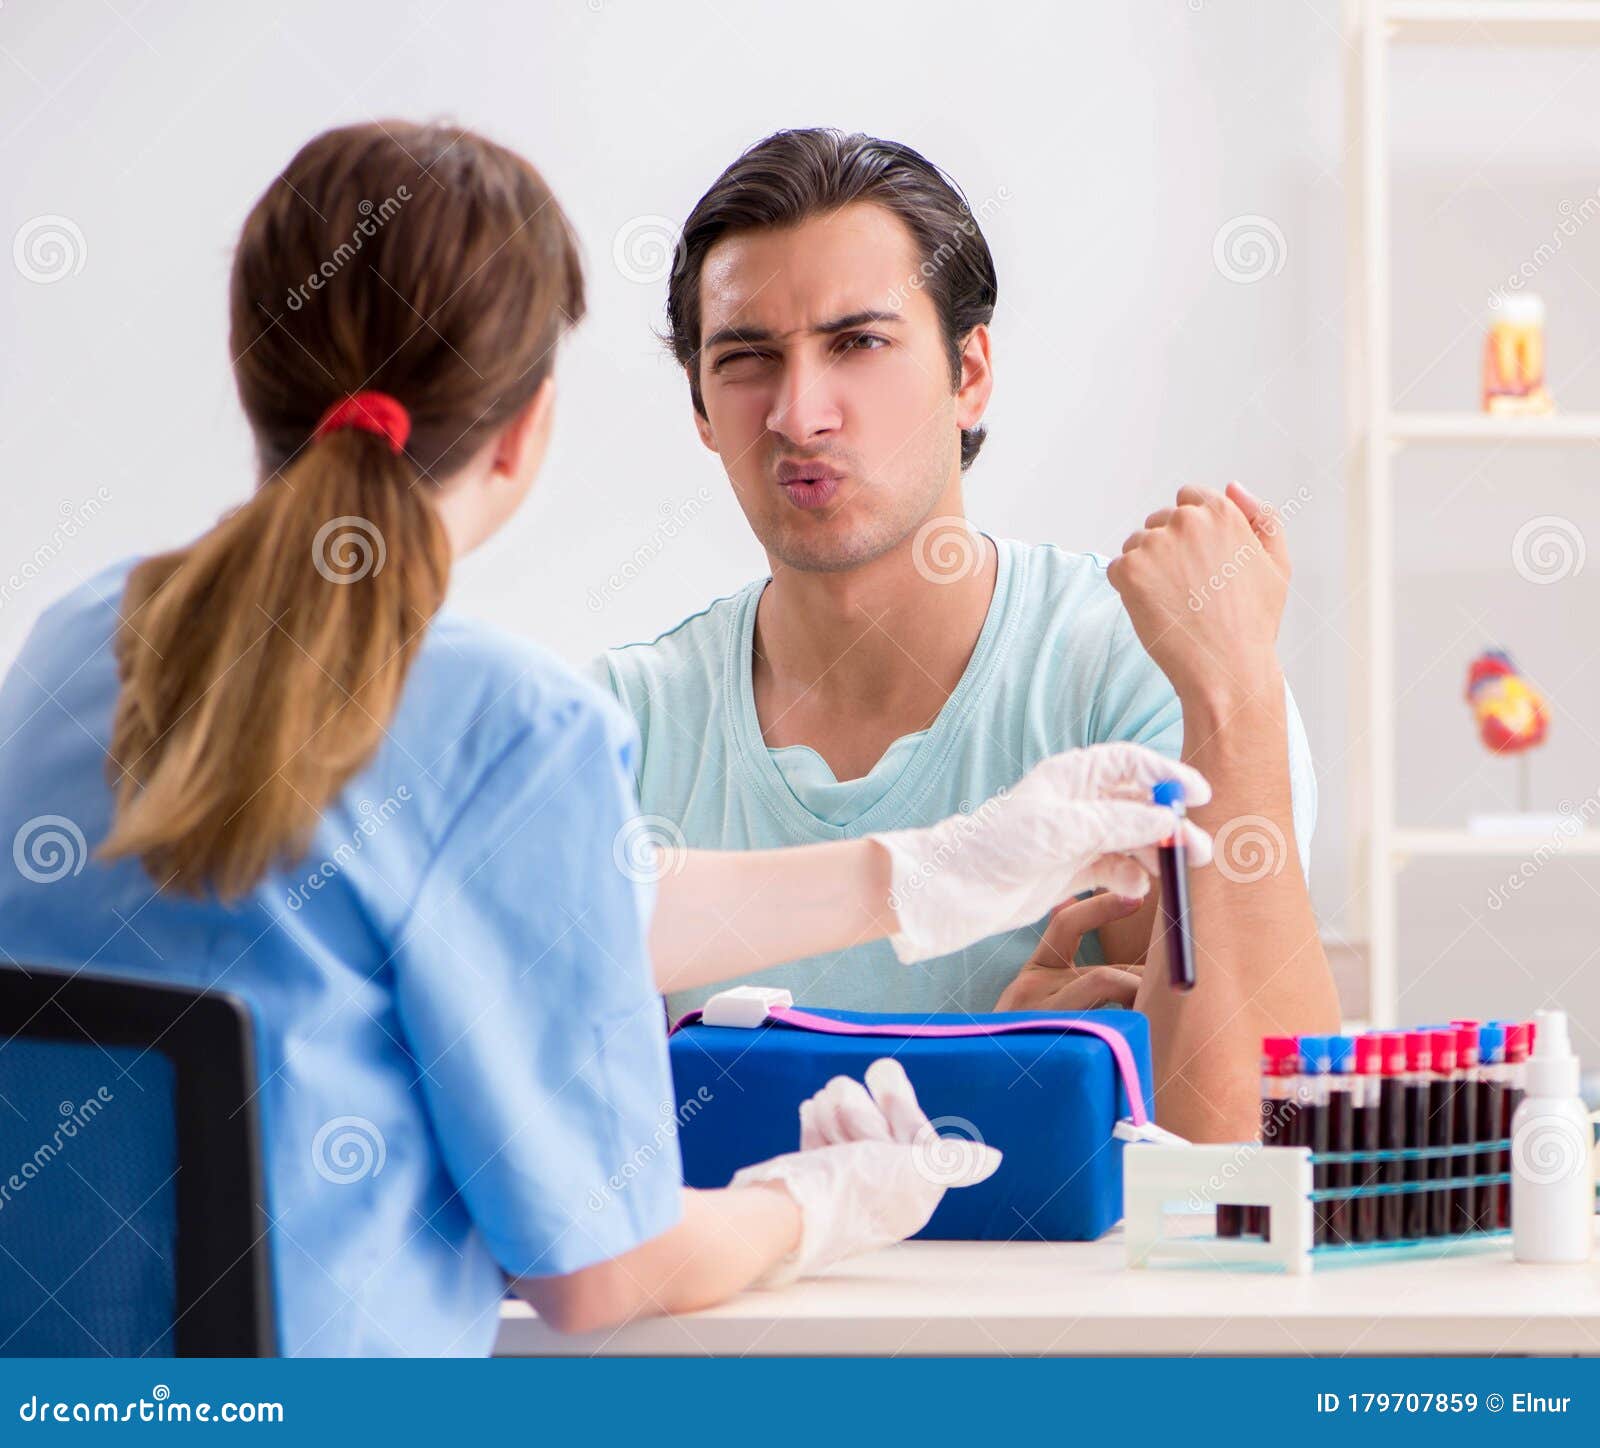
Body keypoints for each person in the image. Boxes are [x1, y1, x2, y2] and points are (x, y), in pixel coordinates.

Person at [0, 123, 1212, 1357]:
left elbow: (540, 904)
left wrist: (933, 869)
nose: (803, 409)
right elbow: (599, 1268)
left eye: (854, 342)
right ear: (526, 430)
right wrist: (804, 1209)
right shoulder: (512, 719)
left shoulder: (68, 652)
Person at [593, 128, 1341, 1143]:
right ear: (701, 411)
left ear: (969, 373)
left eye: (858, 342)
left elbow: (1260, 1146)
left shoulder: (1132, 672)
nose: (800, 413)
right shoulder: (621, 726)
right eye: (746, 359)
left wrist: (1236, 691)